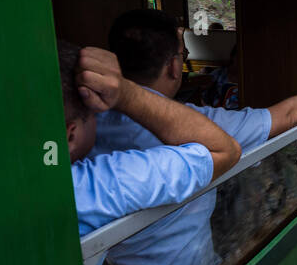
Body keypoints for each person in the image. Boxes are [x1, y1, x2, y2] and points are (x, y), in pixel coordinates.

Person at [93, 9, 297, 265]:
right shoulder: (202, 126)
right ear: (172, 66)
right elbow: (290, 115)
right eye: (182, 55)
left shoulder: (85, 125)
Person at [61, 43, 240, 237]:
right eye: (95, 114)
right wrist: (124, 93)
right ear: (70, 136)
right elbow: (225, 151)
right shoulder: (97, 187)